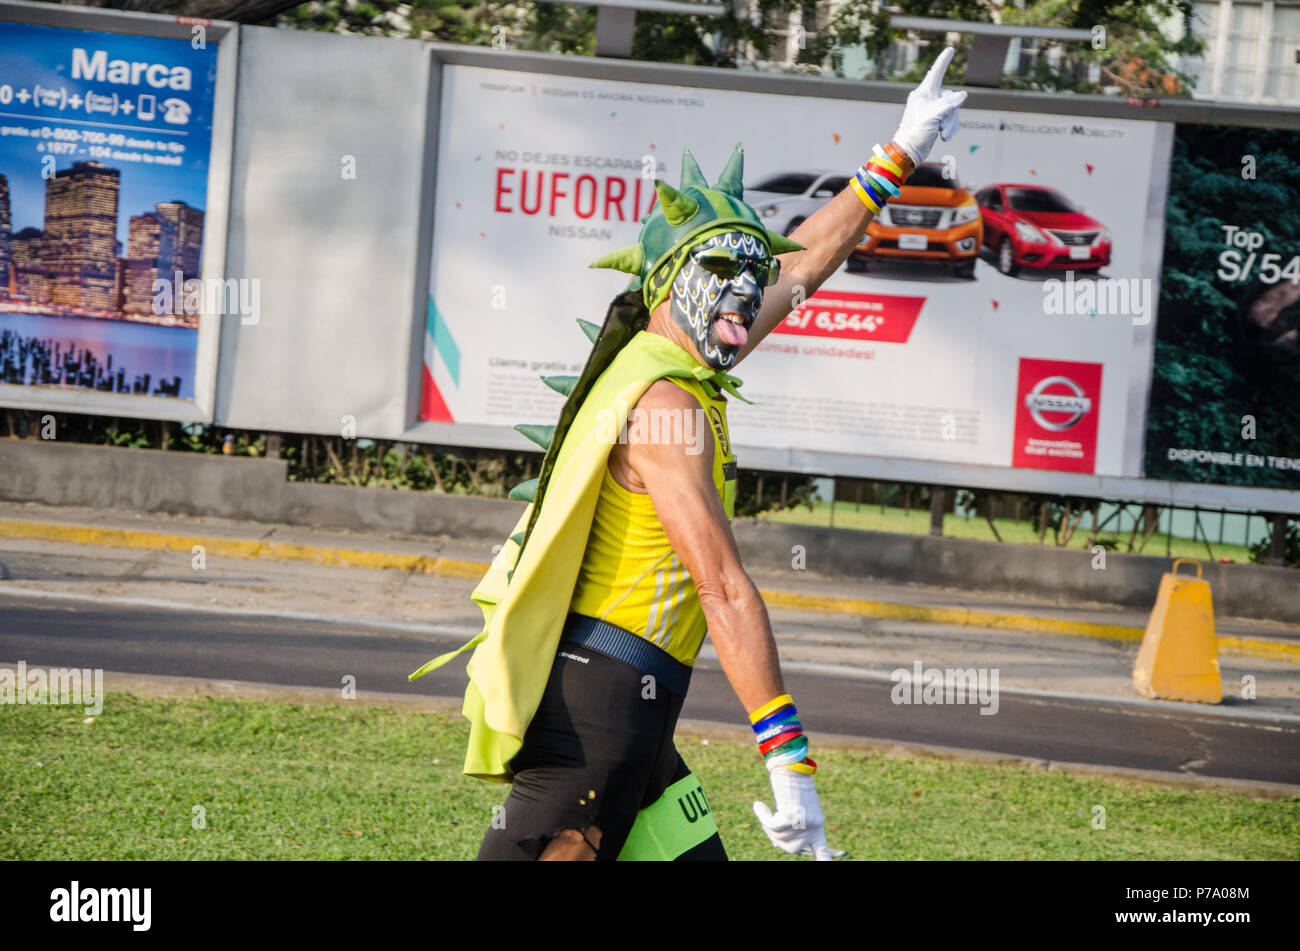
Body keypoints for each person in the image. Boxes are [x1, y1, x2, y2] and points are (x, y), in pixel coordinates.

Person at [411, 48, 967, 861]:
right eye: (724, 270)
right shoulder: (665, 405)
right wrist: (790, 760)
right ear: (671, 282)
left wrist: (902, 151)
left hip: (637, 714)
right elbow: (723, 587)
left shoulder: (684, 349)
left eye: (750, 271)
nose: (746, 288)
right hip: (596, 725)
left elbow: (806, 260)